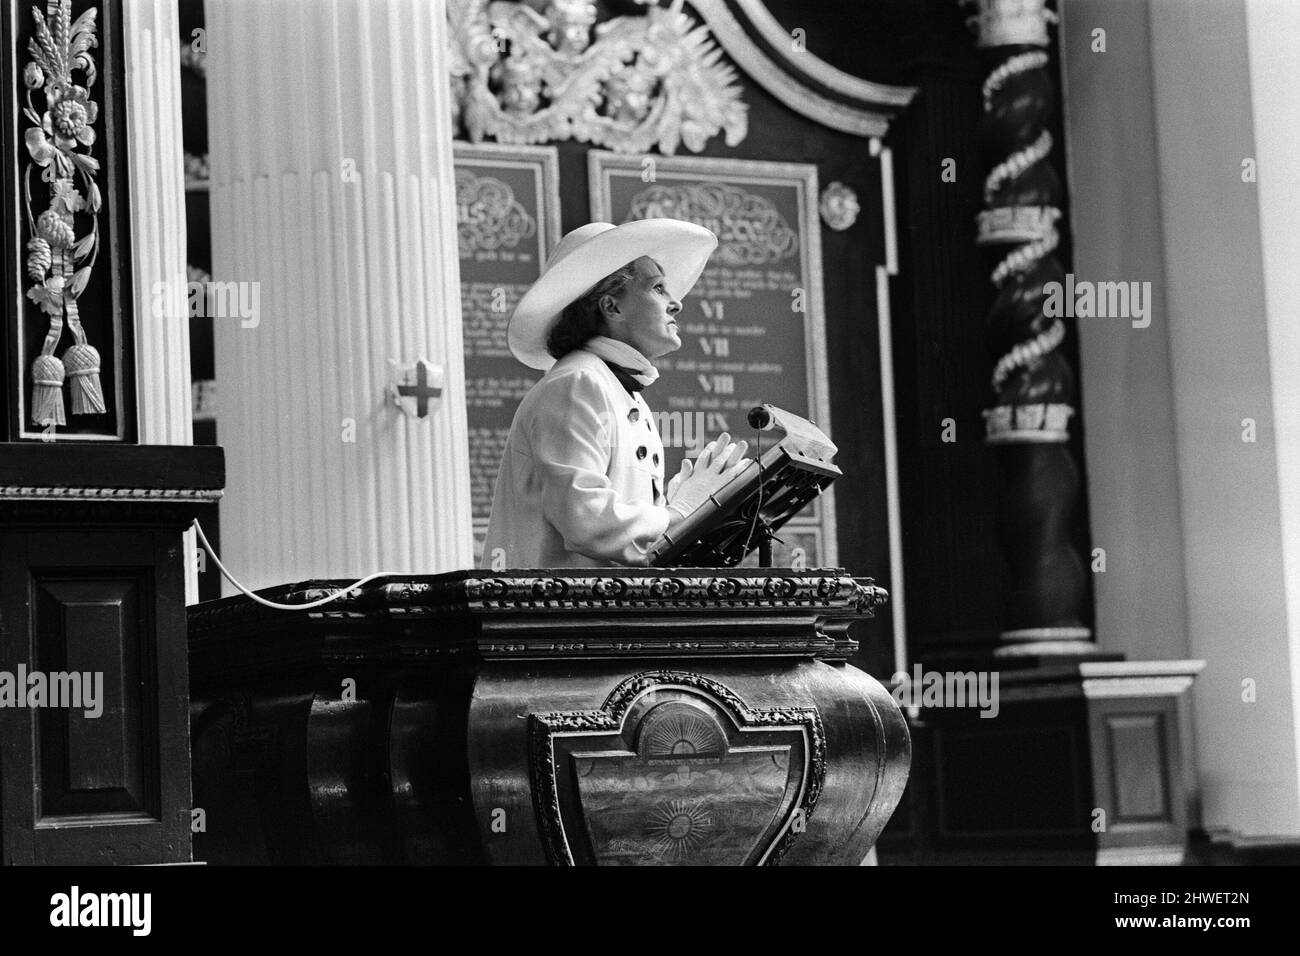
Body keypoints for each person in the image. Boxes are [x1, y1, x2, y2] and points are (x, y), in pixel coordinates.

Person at [482, 219, 749, 568]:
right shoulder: (578, 383)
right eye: (657, 288)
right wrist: (678, 513)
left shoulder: (616, 388)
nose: (676, 304)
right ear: (611, 307)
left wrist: (689, 512)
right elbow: (586, 521)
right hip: (561, 619)